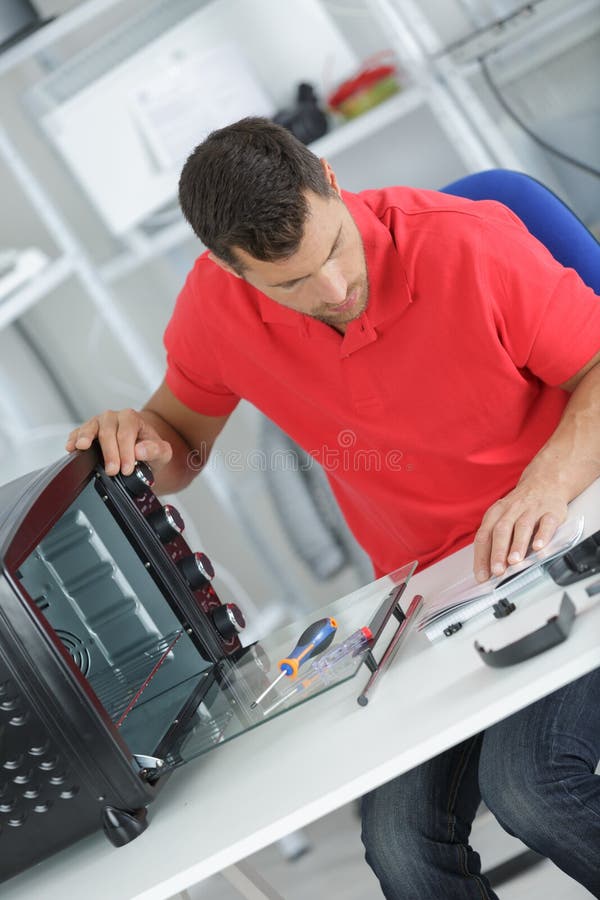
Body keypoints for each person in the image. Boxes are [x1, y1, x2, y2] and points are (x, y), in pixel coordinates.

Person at [65, 117, 600, 898]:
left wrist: (547, 485)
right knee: (398, 844)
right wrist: (135, 438)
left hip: (571, 533)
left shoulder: (465, 243)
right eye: (290, 283)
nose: (334, 291)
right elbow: (179, 448)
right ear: (227, 265)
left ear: (329, 177)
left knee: (534, 785)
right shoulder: (217, 309)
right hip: (434, 594)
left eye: (334, 250)